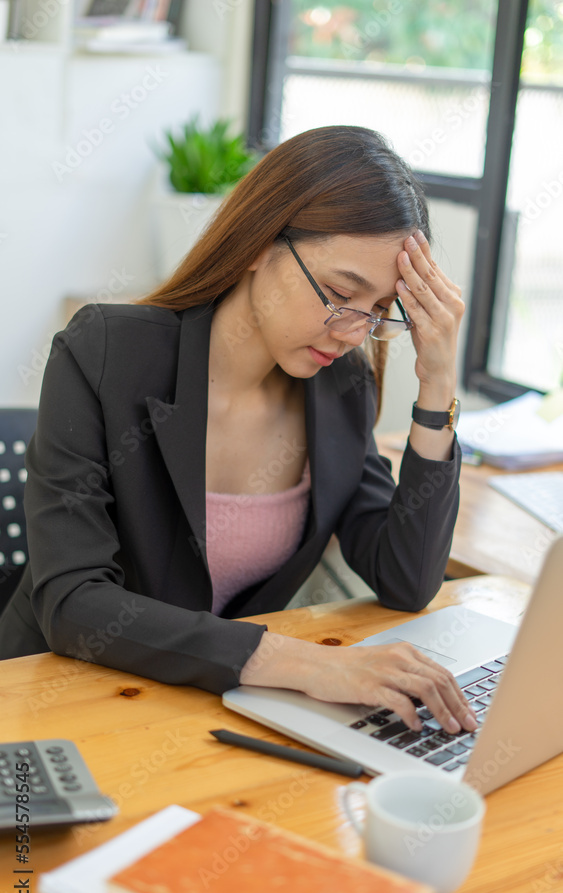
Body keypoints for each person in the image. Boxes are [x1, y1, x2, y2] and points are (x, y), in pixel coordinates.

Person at [0, 125, 477, 736]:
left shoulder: (341, 389)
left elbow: (406, 581)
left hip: (204, 719)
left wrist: (436, 390)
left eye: (381, 311)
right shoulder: (106, 352)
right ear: (258, 241)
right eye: (340, 293)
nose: (354, 332)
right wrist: (300, 662)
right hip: (53, 708)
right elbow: (72, 603)